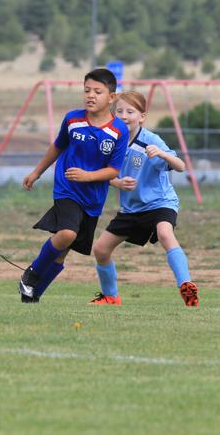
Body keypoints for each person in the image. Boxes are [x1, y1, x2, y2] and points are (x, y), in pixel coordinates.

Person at [17, 68, 128, 303]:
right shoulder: (73, 119)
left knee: (62, 252)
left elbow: (113, 170)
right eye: (87, 90)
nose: (91, 95)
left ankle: (32, 295)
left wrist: (88, 176)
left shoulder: (119, 130)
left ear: (112, 97)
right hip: (67, 190)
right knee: (67, 234)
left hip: (93, 199)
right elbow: (57, 147)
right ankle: (31, 274)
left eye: (98, 91)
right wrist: (36, 172)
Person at [90, 91, 198, 306]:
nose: (124, 115)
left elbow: (181, 166)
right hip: (131, 209)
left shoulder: (151, 140)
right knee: (100, 249)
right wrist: (117, 183)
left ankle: (186, 285)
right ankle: (110, 296)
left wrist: (163, 154)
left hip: (160, 202)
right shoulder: (110, 141)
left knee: (165, 233)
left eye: (130, 111)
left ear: (142, 117)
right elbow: (100, 173)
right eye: (119, 111)